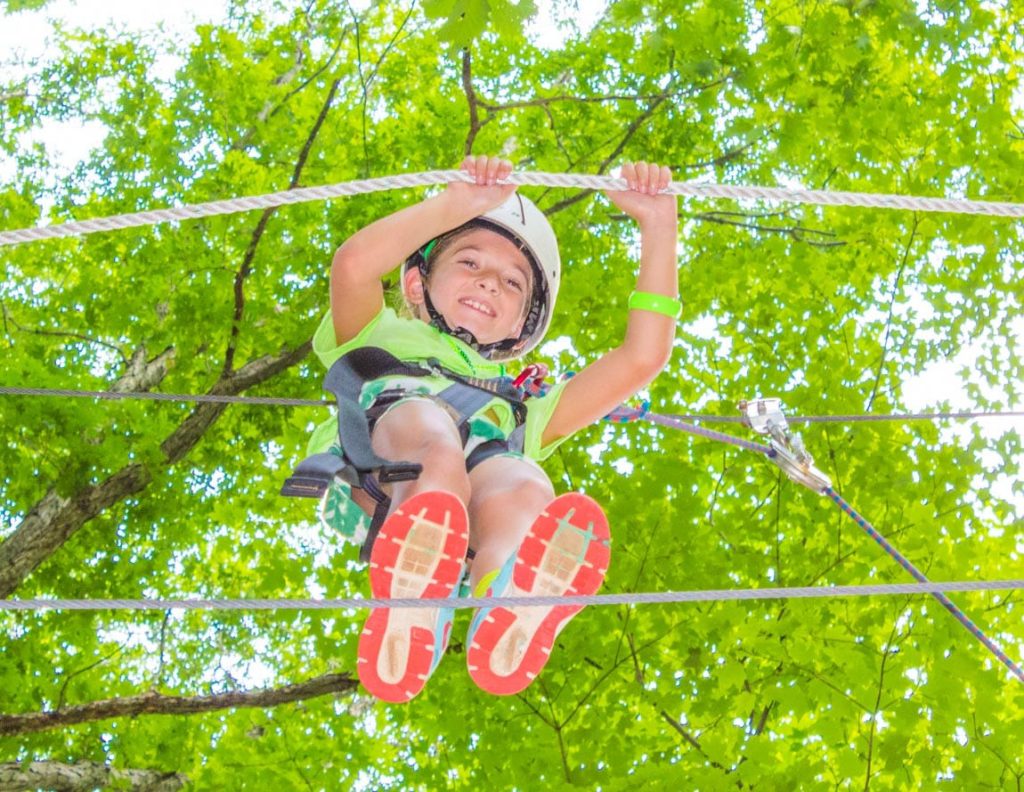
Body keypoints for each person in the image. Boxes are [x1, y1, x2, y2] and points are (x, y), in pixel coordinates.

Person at [307, 155, 680, 702]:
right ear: (415, 284)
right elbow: (354, 266)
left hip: (467, 498)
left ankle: (501, 595)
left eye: (512, 282)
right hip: (382, 464)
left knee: (524, 482)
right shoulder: (377, 333)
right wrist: (451, 208)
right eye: (469, 261)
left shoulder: (519, 409)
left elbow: (641, 358)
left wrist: (659, 228)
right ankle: (418, 560)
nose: (489, 283)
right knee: (433, 431)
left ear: (520, 331)